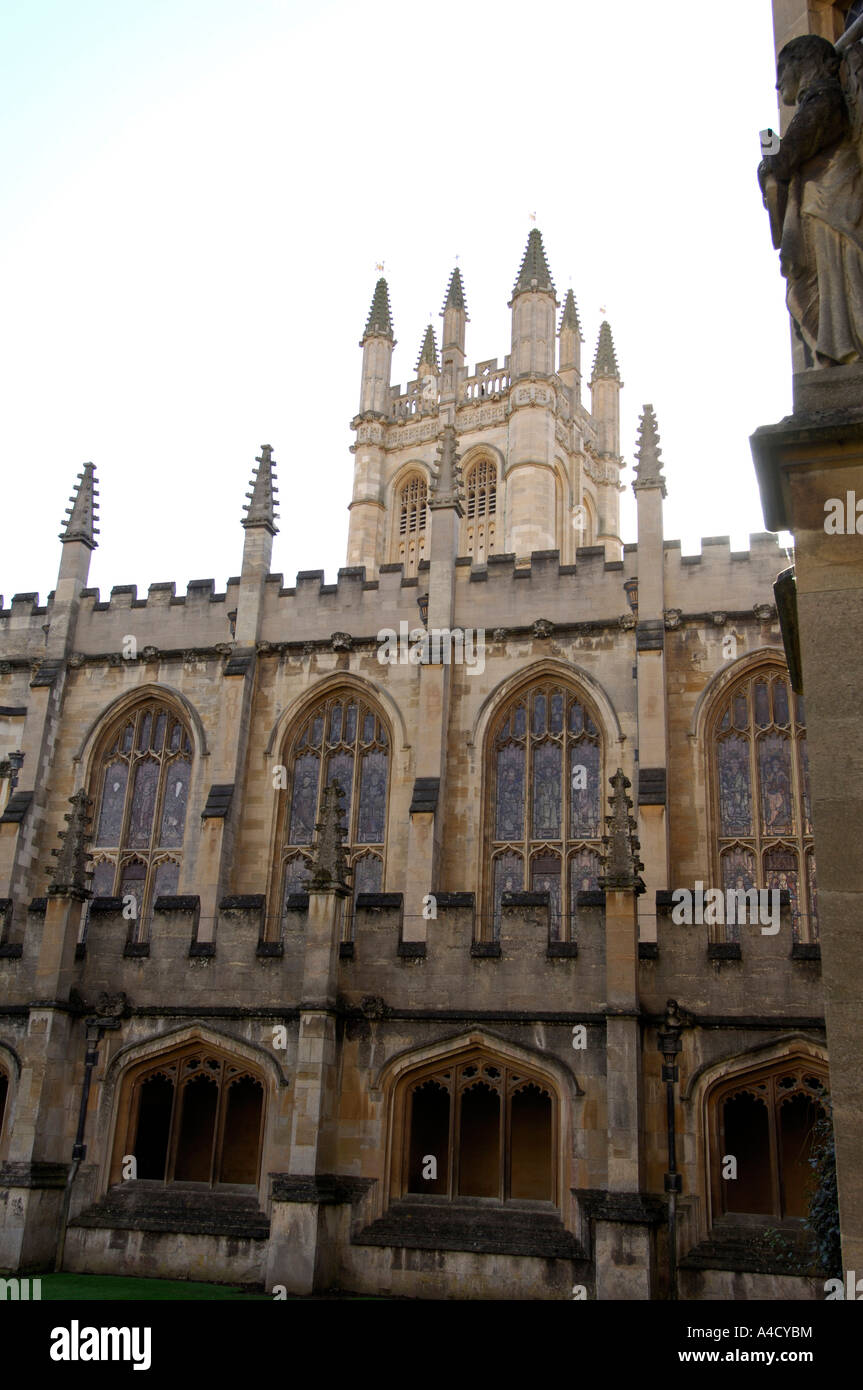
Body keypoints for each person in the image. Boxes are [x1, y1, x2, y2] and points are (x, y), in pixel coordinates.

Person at [758, 35, 863, 365]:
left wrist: (768, 147)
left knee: (829, 294)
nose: (778, 83)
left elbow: (785, 157)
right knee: (812, 297)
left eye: (782, 69)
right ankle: (838, 356)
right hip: (823, 209)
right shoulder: (820, 100)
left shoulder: (824, 98)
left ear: (803, 65)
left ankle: (844, 354)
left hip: (831, 212)